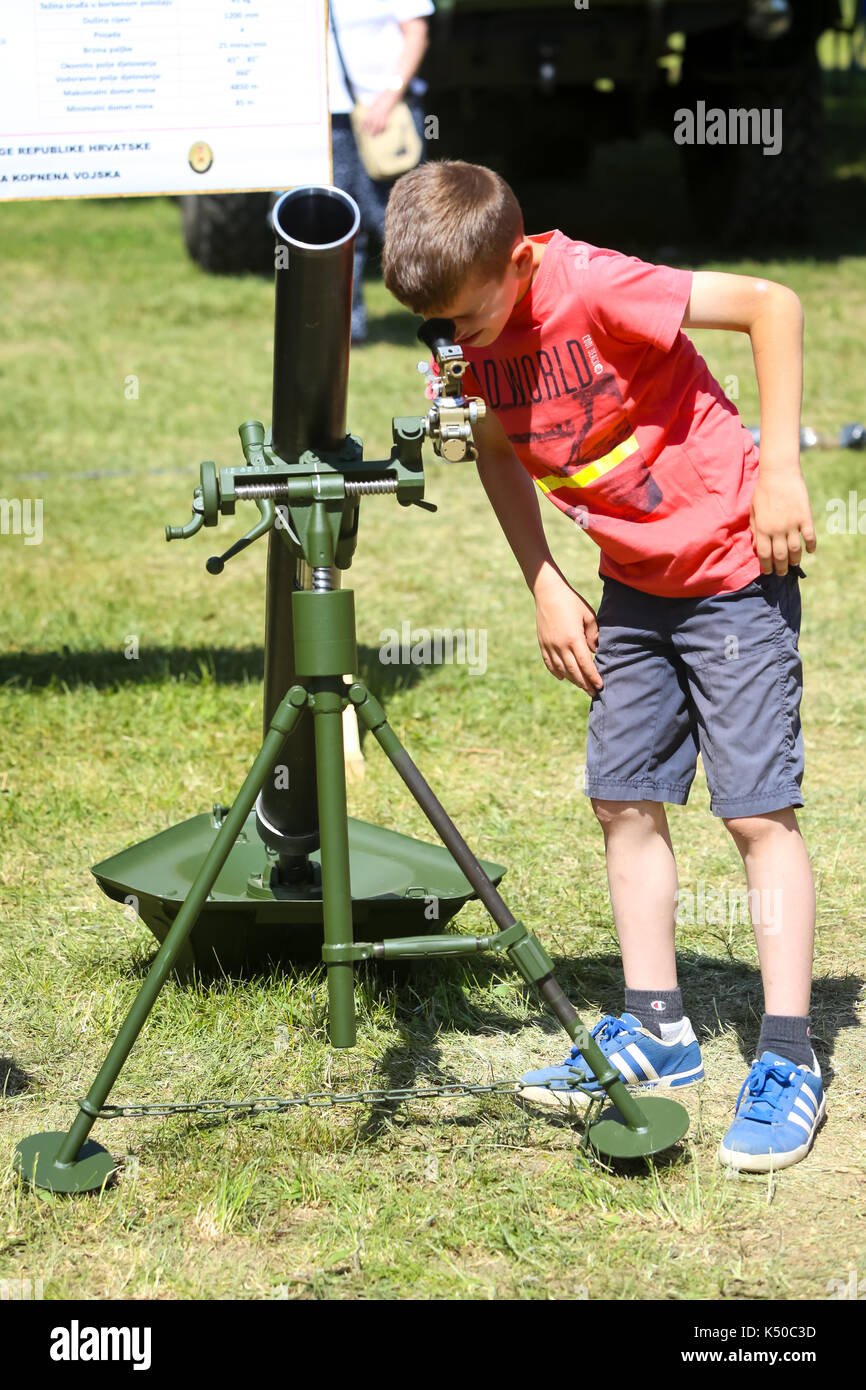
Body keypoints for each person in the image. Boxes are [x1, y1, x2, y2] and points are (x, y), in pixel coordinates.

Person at [382, 160, 823, 1173]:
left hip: (729, 576)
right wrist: (541, 577)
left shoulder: (592, 284)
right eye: (434, 327)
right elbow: (494, 445)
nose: (455, 342)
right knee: (622, 799)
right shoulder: (465, 333)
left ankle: (789, 1054)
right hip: (630, 587)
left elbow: (771, 302)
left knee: (754, 811)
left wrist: (781, 471)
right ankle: (656, 1030)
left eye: (465, 319)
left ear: (517, 260)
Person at [328, 0, 433, 344]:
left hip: (388, 115)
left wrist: (390, 96)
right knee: (339, 227)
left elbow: (417, 32)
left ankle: (442, 318)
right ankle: (346, 328)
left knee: (401, 225)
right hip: (335, 117)